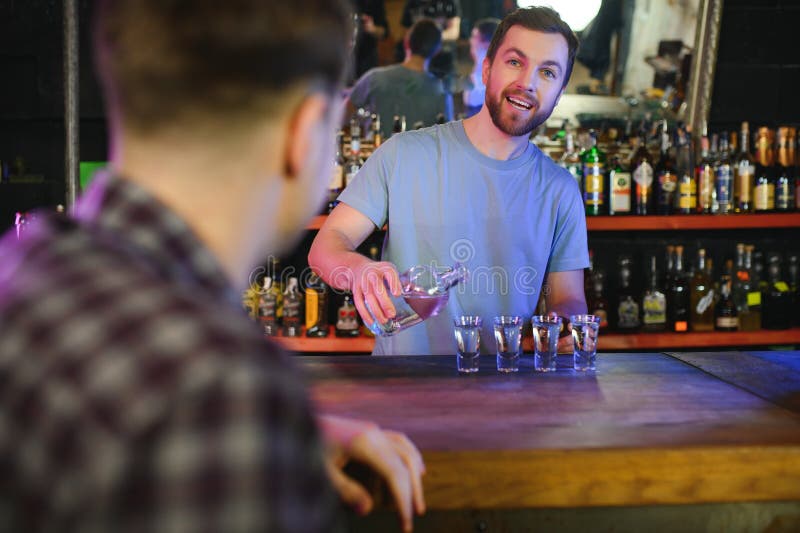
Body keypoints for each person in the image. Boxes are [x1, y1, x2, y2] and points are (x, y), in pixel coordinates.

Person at [0, 1, 425, 532]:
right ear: (305, 131)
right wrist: (254, 432)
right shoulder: (220, 389)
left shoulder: (27, 259)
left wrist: (275, 439)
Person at [310, 6, 589, 356]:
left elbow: (569, 297)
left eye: (547, 72)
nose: (528, 83)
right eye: (515, 62)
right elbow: (325, 248)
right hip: (403, 391)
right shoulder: (404, 154)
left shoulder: (560, 190)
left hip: (506, 391)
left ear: (559, 92)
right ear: (487, 69)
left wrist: (565, 324)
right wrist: (358, 270)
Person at [348, 18, 452, 138]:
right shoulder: (442, 92)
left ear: (406, 42)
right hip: (420, 156)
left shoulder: (374, 78)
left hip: (376, 155)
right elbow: (448, 141)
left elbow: (339, 115)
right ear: (437, 50)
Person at [462, 17, 501, 118]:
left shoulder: (490, 70)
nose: (470, 40)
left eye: (475, 37)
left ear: (486, 44)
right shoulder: (479, 65)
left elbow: (474, 101)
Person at [353, 0, 390, 80]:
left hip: (368, 54)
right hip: (345, 55)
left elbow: (385, 32)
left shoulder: (376, 2)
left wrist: (373, 29)